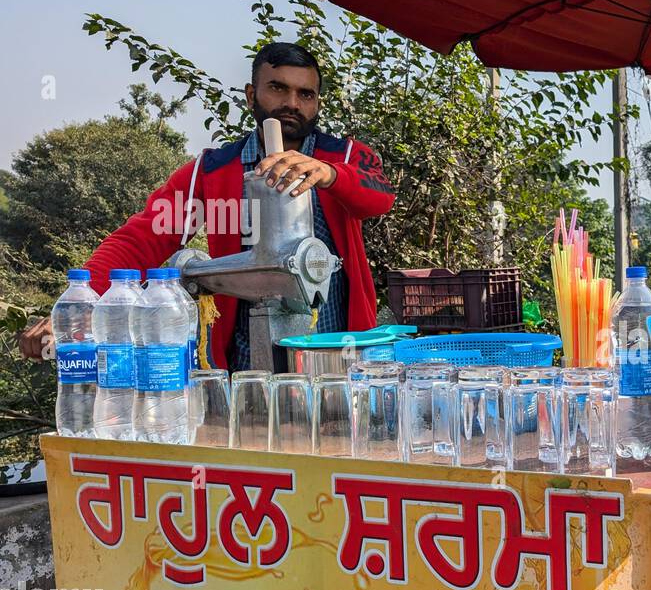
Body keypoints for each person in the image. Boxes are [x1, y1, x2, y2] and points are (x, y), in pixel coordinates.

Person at [19, 42, 395, 367]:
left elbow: (379, 195)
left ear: (316, 102)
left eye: (305, 94)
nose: (291, 103)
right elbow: (143, 239)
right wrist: (77, 307)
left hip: (341, 360)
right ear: (251, 95)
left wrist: (328, 173)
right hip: (247, 367)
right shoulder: (212, 171)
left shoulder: (343, 155)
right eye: (278, 88)